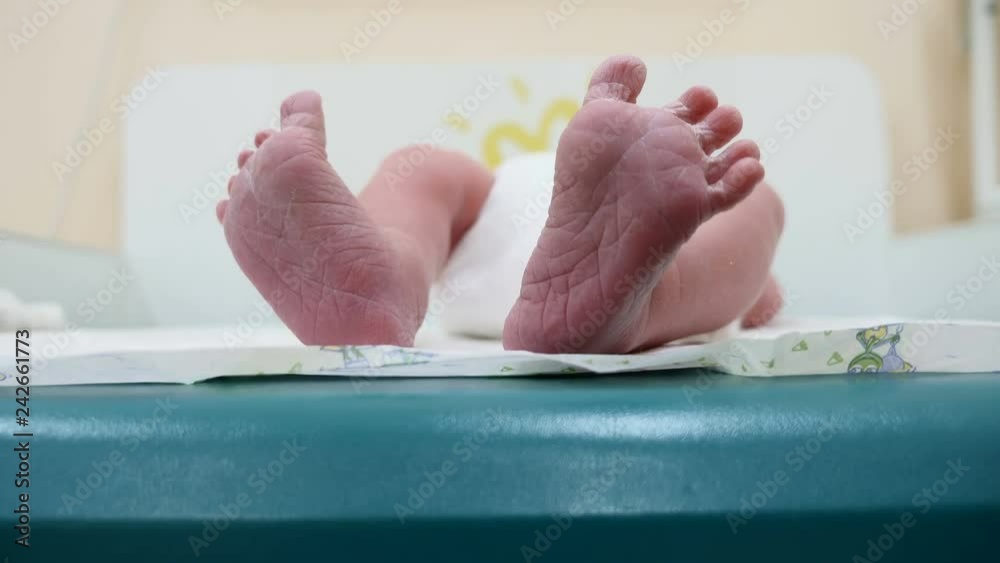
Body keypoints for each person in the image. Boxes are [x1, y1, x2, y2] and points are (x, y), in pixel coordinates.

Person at [216, 55, 785, 354]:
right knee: (756, 207)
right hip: (630, 263)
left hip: (481, 259)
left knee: (425, 169)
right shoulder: (668, 189)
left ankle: (389, 281)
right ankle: (631, 311)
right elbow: (760, 301)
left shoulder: (496, 184)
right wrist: (761, 291)